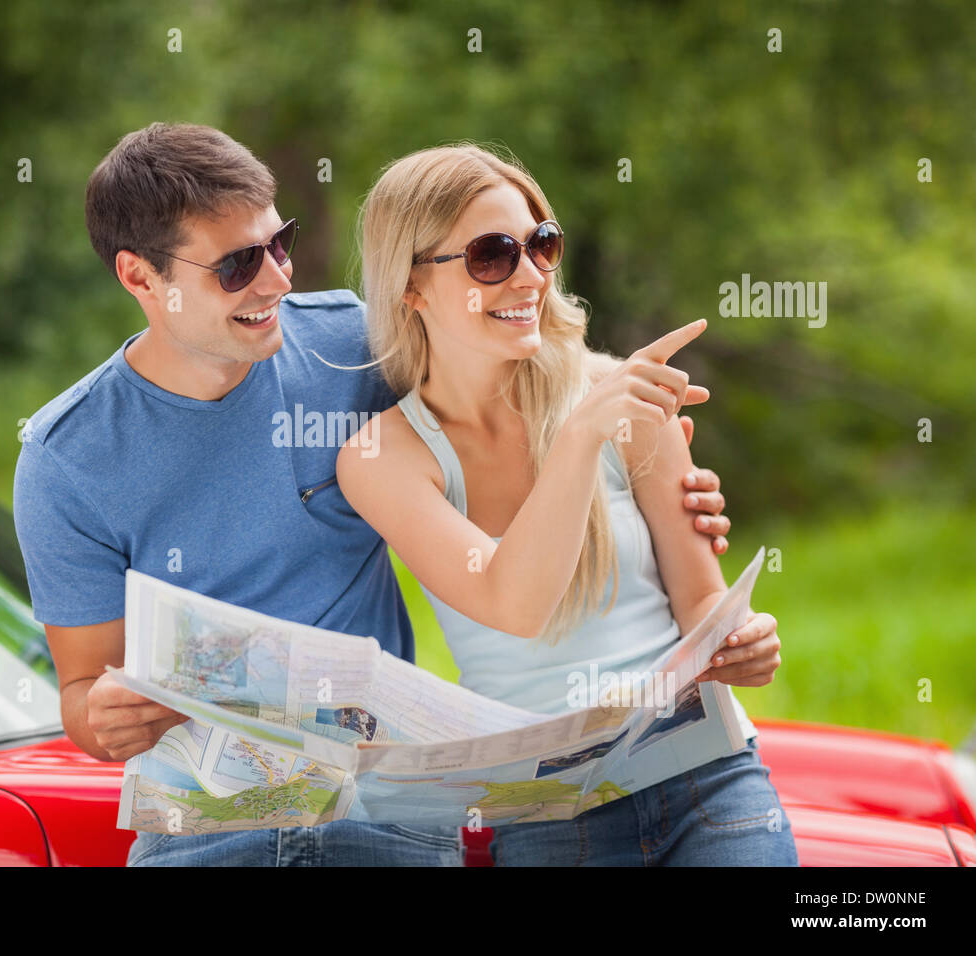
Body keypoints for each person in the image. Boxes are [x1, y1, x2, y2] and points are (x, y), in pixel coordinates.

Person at [12, 123, 736, 867]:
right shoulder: (65, 461)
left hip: (382, 821)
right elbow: (82, 690)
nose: (276, 280)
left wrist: (668, 486)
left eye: (279, 244)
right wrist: (103, 719)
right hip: (207, 836)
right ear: (140, 278)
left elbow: (525, 387)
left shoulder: (359, 346)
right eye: (236, 266)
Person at [335, 142, 798, 866]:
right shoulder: (381, 456)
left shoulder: (625, 396)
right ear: (411, 288)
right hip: (550, 813)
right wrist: (582, 435)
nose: (529, 276)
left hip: (706, 779)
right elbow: (512, 603)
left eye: (541, 245)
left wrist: (743, 640)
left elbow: (703, 604)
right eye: (492, 255)